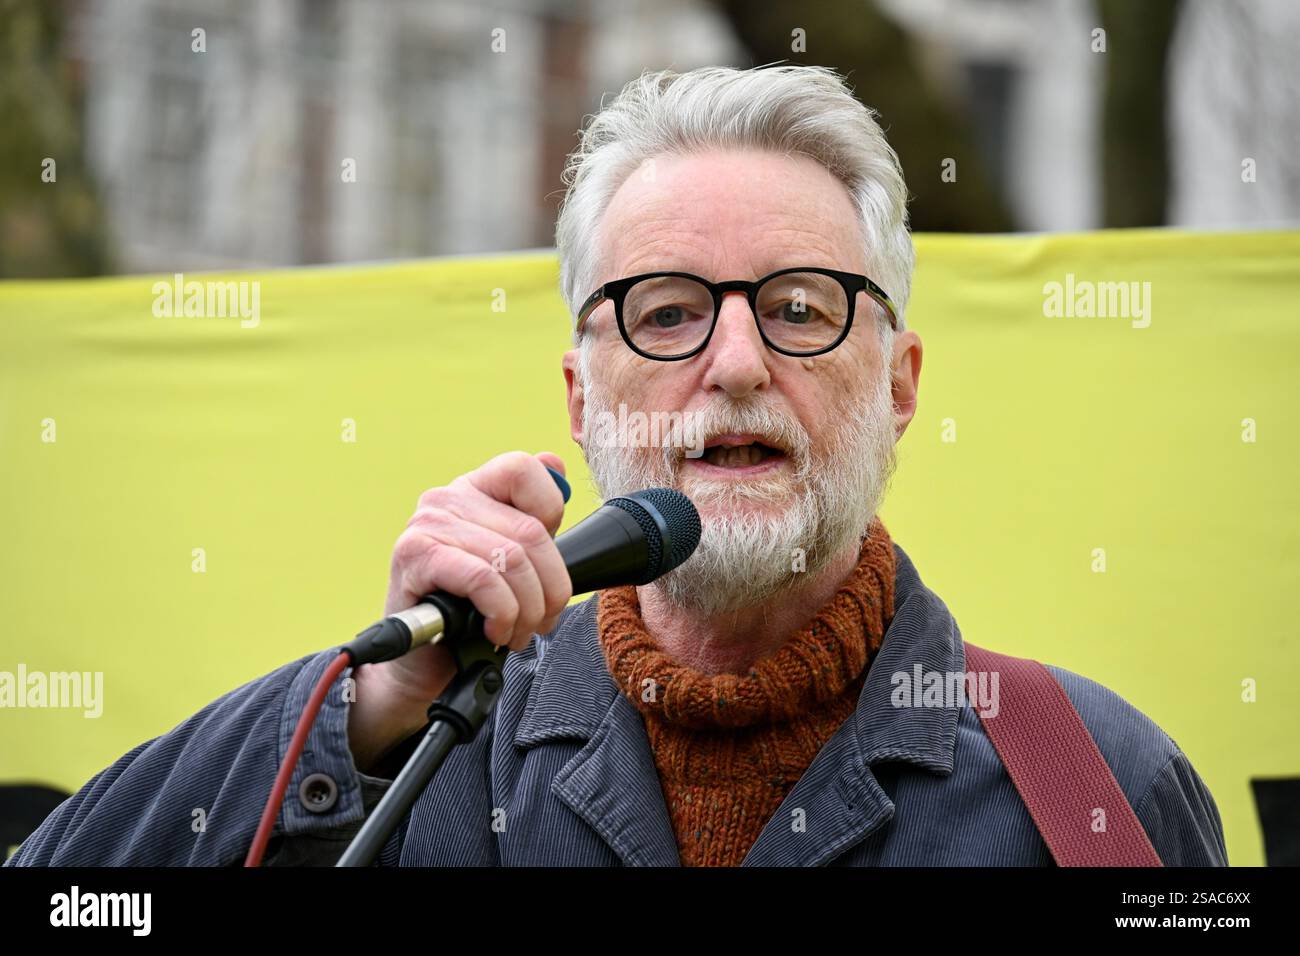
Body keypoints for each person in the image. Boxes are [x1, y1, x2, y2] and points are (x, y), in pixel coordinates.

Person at [7, 64, 1226, 867]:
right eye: (665, 308)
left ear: (899, 384)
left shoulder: (1092, 784)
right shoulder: (420, 748)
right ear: (581, 394)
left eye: (801, 306)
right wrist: (367, 708)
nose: (739, 361)